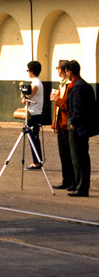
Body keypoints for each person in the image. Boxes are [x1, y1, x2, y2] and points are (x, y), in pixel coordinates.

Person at [64, 59, 93, 197]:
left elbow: (78, 108)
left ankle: (81, 187)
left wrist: (74, 122)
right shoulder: (85, 85)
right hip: (84, 125)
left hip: (78, 126)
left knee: (78, 157)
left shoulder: (77, 87)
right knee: (83, 156)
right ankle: (81, 185)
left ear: (69, 72)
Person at [50, 60, 75, 190]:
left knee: (68, 154)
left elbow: (66, 106)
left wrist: (57, 99)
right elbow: (57, 108)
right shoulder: (62, 84)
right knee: (63, 154)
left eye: (58, 68)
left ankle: (71, 180)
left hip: (66, 124)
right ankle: (66, 180)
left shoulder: (69, 86)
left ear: (62, 70)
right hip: (60, 124)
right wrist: (55, 124)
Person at [22, 60, 45, 170]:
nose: (27, 72)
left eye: (28, 70)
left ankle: (37, 162)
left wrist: (24, 96)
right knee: (34, 138)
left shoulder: (35, 84)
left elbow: (25, 100)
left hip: (33, 114)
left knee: (33, 139)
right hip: (36, 113)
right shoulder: (37, 82)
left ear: (31, 71)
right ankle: (37, 160)